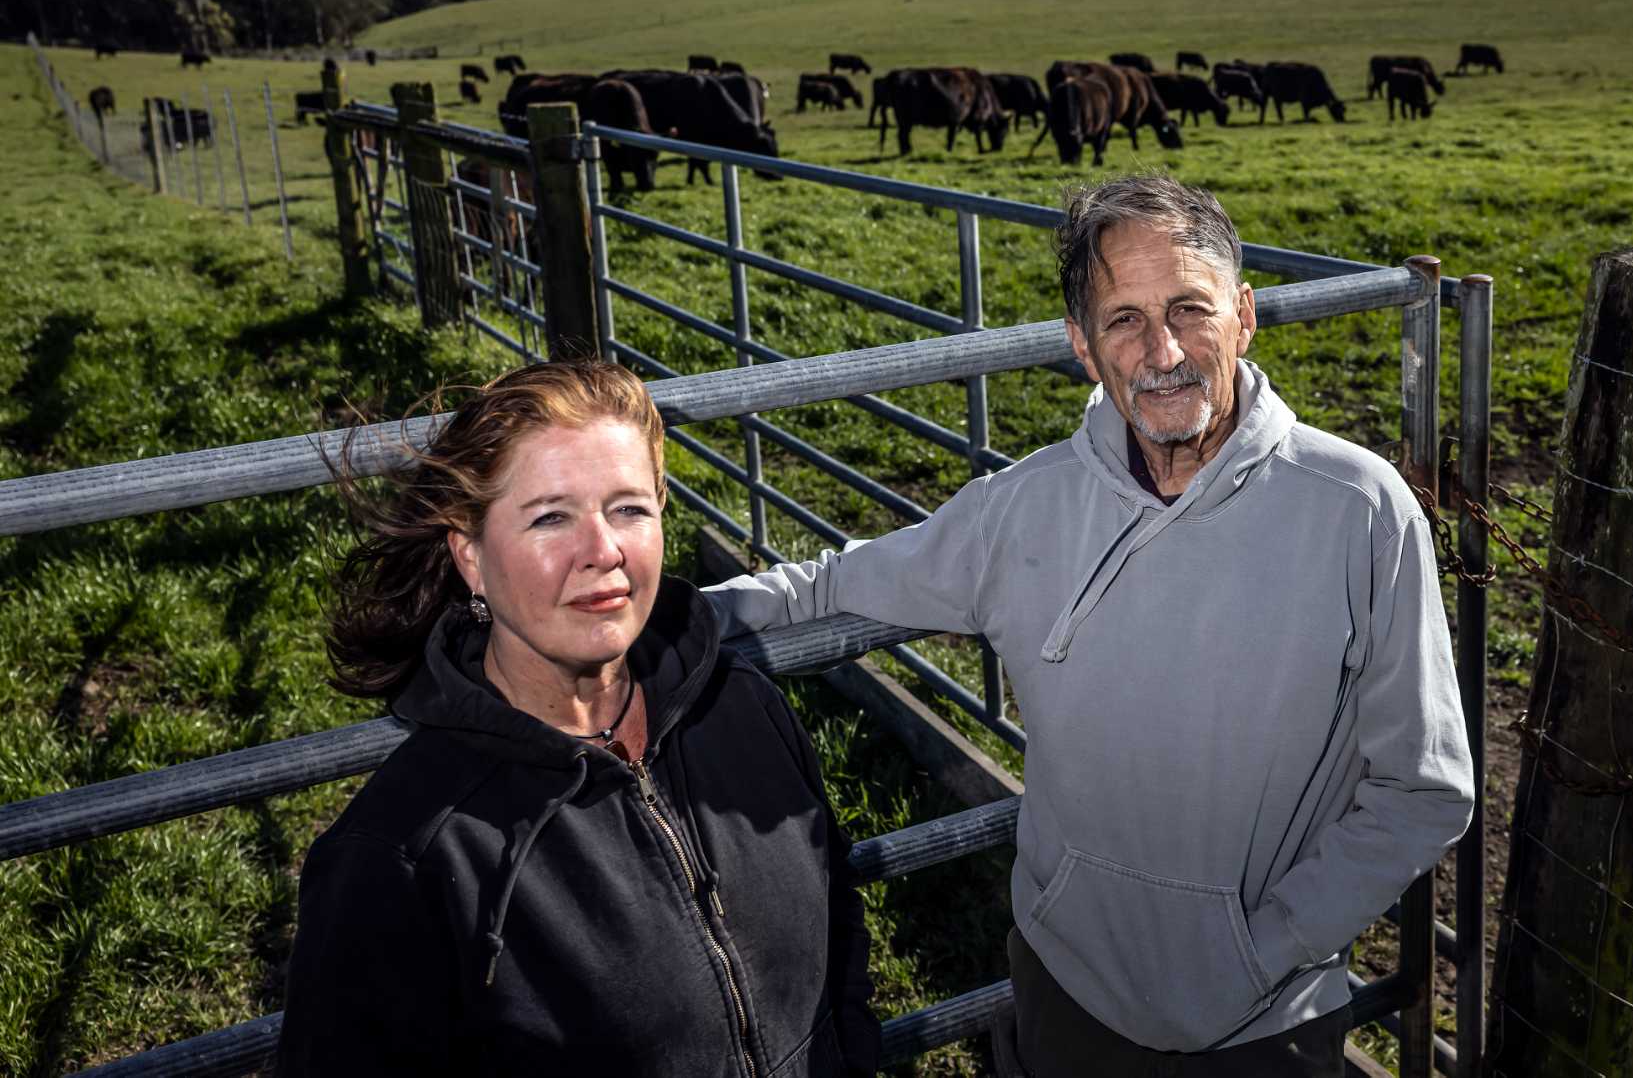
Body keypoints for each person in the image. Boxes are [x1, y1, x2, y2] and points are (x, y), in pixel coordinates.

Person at [705, 175, 1475, 1075]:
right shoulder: (1021, 510)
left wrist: (1268, 948)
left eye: (1189, 309)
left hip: (1268, 1022)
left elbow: (1425, 787)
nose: (1163, 351)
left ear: (1244, 315)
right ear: (1082, 344)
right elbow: (830, 588)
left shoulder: (1359, 510)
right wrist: (648, 620)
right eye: (1125, 320)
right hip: (1065, 988)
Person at [279, 361, 879, 1076]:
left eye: (629, 509)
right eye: (550, 517)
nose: (603, 551)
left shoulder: (741, 706)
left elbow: (838, 927)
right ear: (470, 556)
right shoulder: (404, 855)